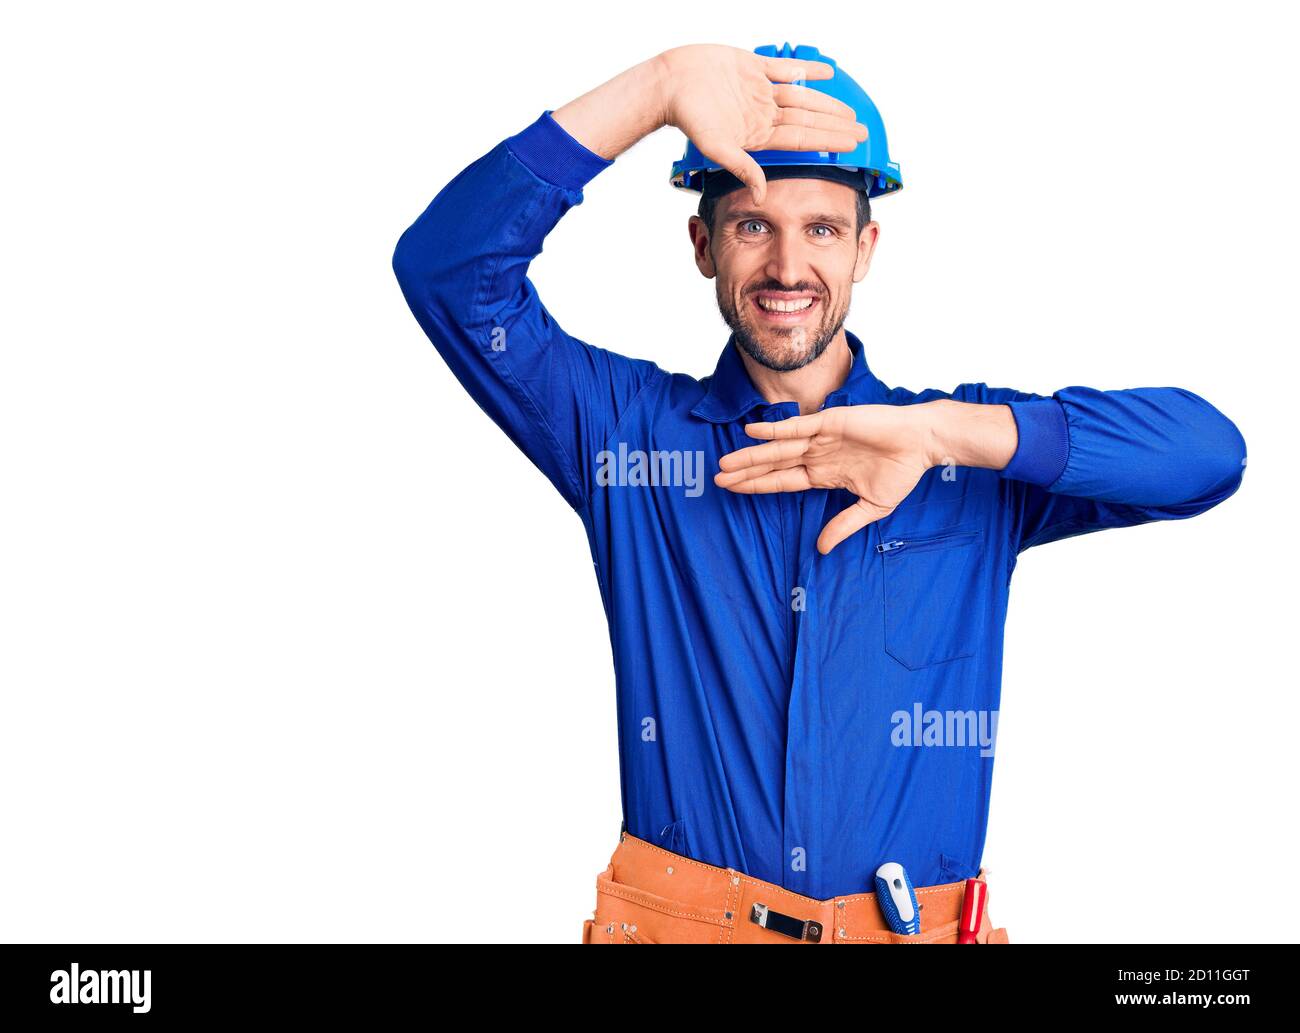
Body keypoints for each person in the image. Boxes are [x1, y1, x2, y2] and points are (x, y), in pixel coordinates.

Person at [392, 43, 1247, 944]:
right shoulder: (624, 438)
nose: (788, 266)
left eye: (823, 229)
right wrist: (656, 91)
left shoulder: (966, 456)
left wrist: (944, 434)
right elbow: (447, 269)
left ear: (866, 247)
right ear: (702, 242)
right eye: (753, 225)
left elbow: (1209, 456)